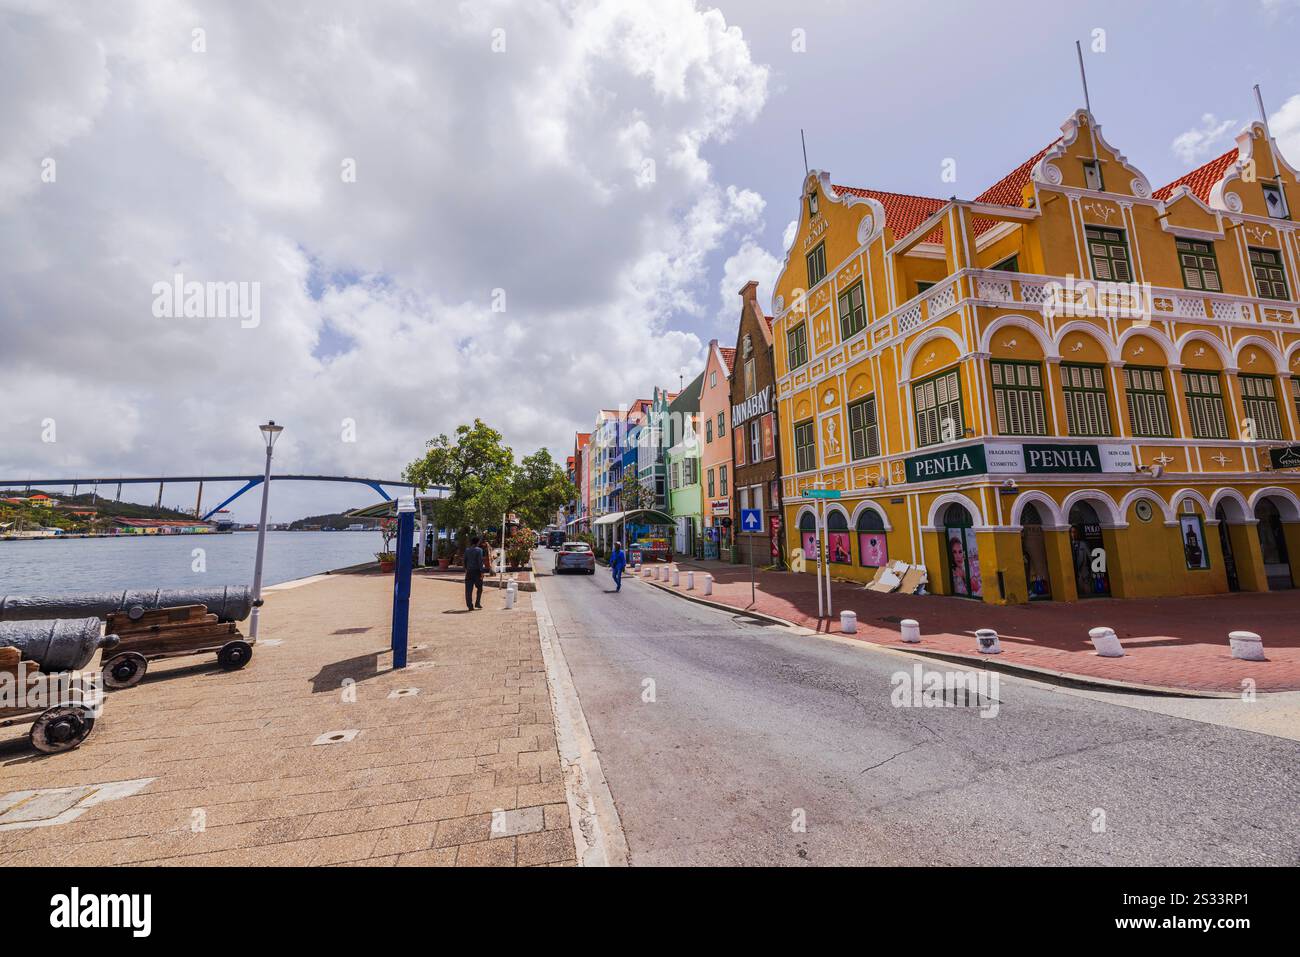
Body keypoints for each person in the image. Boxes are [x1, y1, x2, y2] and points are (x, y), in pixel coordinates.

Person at [464, 536, 485, 610]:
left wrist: (466, 570)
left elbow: (465, 561)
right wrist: (482, 572)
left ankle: (470, 606)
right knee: (480, 588)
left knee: (468, 590)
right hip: (477, 572)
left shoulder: (467, 550)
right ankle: (477, 603)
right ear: (477, 542)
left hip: (469, 571)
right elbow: (480, 562)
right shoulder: (479, 550)